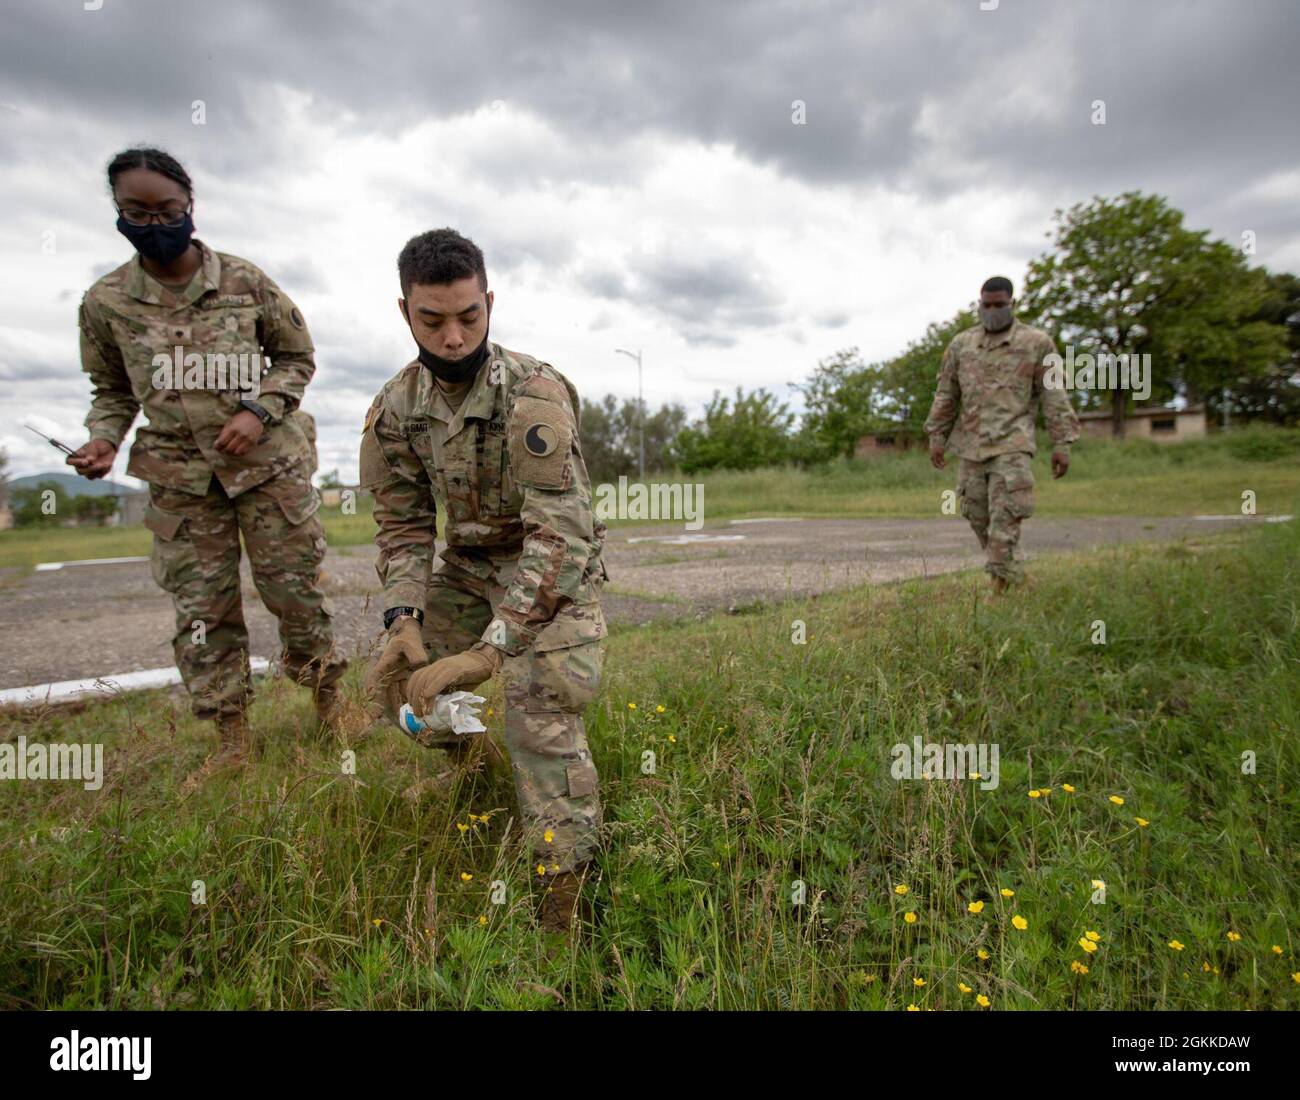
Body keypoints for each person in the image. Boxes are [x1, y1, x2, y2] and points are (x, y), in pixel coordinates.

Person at [360, 228, 607, 936]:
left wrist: (493, 651)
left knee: (543, 719)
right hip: (468, 569)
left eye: (468, 316)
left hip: (550, 572)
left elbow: (562, 535)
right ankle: (472, 764)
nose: (452, 335)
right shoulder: (395, 409)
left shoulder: (532, 394)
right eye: (432, 319)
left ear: (490, 303)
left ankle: (565, 906)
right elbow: (404, 525)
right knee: (396, 687)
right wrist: (403, 615)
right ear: (404, 312)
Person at [68, 146, 346, 768]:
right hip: (181, 482)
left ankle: (331, 705)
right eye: (135, 212)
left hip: (268, 470)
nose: (154, 224)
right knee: (203, 612)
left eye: (166, 209)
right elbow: (111, 390)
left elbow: (297, 358)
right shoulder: (105, 302)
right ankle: (231, 740)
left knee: (295, 595)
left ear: (189, 206)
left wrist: (259, 411)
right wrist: (103, 440)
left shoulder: (246, 283)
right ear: (117, 211)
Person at [923, 276, 1080, 593]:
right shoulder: (962, 345)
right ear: (979, 304)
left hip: (1012, 445)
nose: (992, 310)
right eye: (987, 305)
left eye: (1000, 305)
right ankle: (1012, 576)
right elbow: (946, 394)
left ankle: (1002, 590)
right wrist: (936, 435)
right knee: (976, 513)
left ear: (1013, 305)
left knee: (1005, 517)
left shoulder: (1036, 343)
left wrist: (1061, 442)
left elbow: (1054, 394)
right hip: (971, 448)